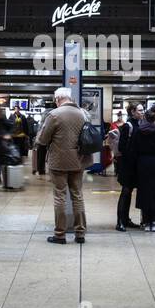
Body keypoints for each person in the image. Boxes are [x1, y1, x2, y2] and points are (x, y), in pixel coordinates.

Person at [36, 87, 91, 245]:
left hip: (59, 161)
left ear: (58, 98)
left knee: (59, 197)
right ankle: (80, 233)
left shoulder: (54, 115)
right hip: (78, 161)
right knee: (77, 195)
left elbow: (43, 140)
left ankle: (60, 235)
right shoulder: (83, 113)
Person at [114, 104, 144, 231]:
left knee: (129, 192)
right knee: (125, 192)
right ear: (132, 111)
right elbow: (121, 147)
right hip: (128, 165)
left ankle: (126, 219)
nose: (142, 112)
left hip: (136, 165)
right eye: (140, 110)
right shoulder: (128, 126)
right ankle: (120, 221)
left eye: (143, 110)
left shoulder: (140, 124)